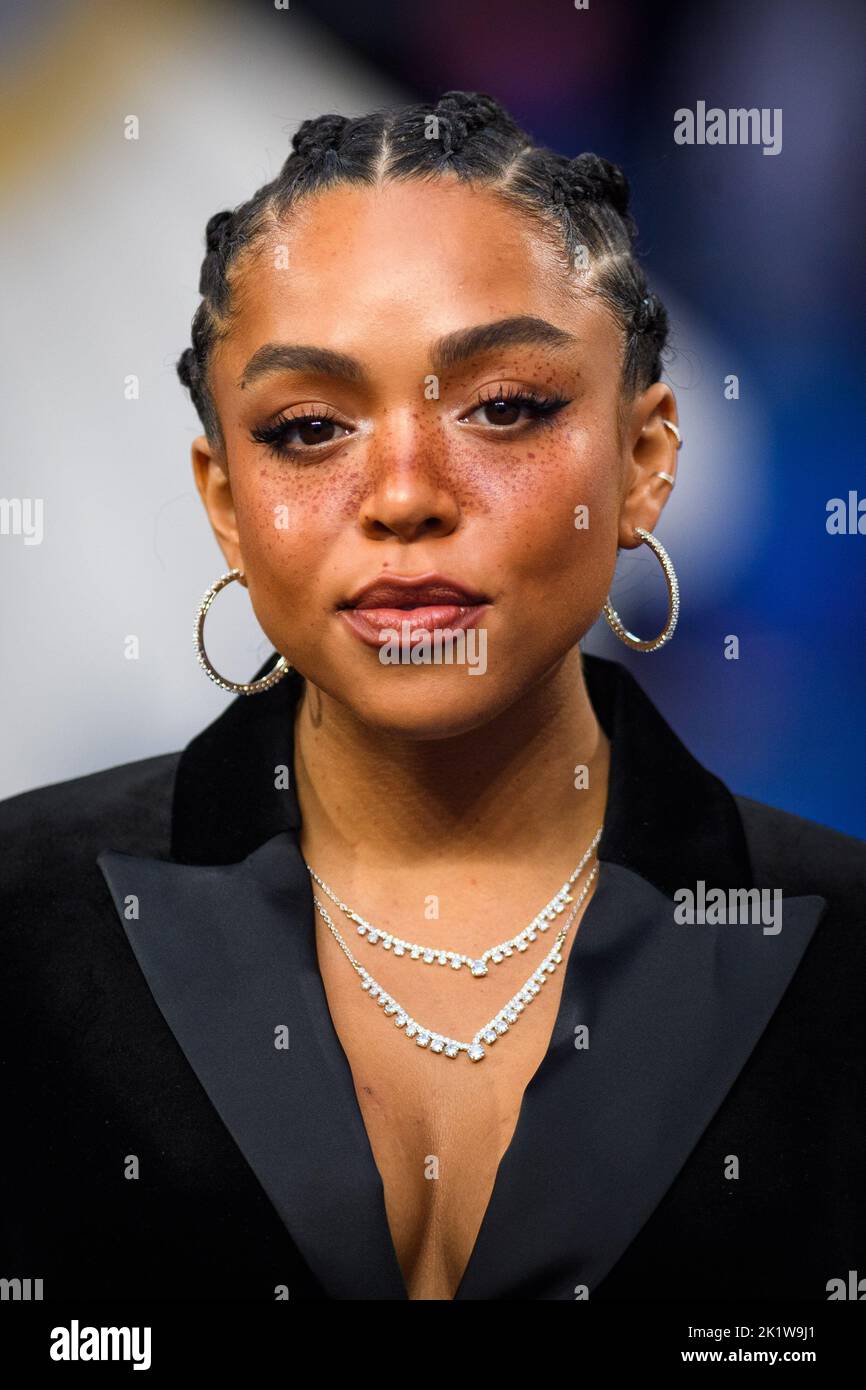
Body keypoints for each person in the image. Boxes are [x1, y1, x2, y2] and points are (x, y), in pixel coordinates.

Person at [2, 91, 864, 1303]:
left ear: (642, 463)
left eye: (503, 407)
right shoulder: (24, 922)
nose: (403, 494)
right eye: (308, 426)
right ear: (223, 502)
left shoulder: (835, 943)